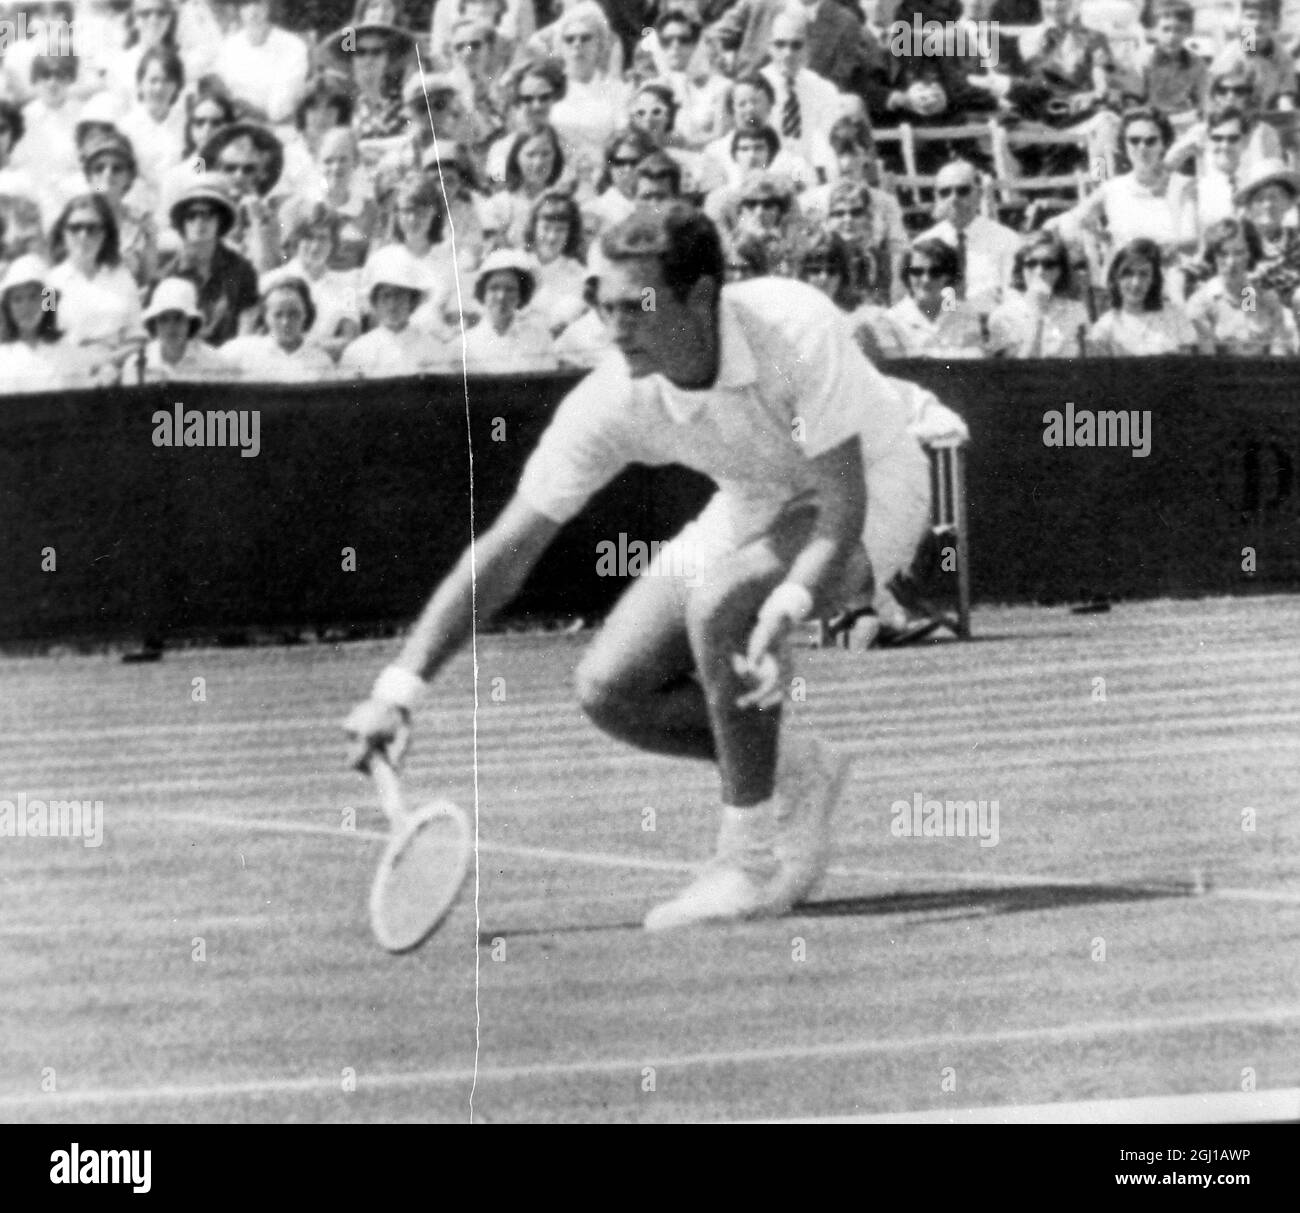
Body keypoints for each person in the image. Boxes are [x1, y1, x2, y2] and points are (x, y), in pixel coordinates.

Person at [343, 203, 922, 929]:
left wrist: (790, 601)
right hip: (753, 502)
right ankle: (792, 769)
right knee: (610, 689)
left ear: (701, 296)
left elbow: (841, 507)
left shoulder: (794, 326)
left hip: (876, 489)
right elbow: (508, 550)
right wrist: (398, 690)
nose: (616, 327)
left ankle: (749, 863)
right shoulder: (614, 395)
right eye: (604, 305)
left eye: (637, 306)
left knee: (722, 603)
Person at [156, 172, 260, 345]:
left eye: (208, 214)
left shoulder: (241, 269)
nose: (199, 222)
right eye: (192, 215)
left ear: (221, 220)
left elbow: (247, 324)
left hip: (231, 355)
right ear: (182, 222)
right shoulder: (168, 275)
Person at [918, 160, 1019, 315]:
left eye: (962, 190)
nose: (953, 198)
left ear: (979, 194)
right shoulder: (922, 244)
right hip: (939, 323)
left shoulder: (1007, 240)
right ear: (936, 197)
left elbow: (1013, 296)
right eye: (945, 192)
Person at [46, 192, 144, 353]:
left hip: (116, 362)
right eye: (75, 228)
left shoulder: (123, 279)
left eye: (92, 228)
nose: (83, 236)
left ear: (105, 234)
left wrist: (111, 361)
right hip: (68, 362)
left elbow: (137, 335)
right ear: (62, 232)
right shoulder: (49, 285)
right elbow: (45, 334)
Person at [1185, 217, 1298, 355]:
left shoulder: (1266, 299)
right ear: (1213, 256)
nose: (1231, 262)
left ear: (1250, 254)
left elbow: (1279, 355)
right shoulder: (1201, 303)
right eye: (1223, 254)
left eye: (1239, 253)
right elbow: (1206, 361)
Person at [338, 244, 452, 378]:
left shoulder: (432, 349)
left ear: (412, 301)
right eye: (386, 296)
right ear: (375, 301)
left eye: (399, 296)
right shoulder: (357, 352)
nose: (392, 305)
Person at [274, 200, 363, 362]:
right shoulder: (274, 280)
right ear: (296, 240)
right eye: (308, 237)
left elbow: (351, 339)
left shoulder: (348, 287)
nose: (315, 246)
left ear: (333, 242)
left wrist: (309, 350)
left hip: (323, 366)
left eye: (323, 238)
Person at [1088, 237, 1200, 354]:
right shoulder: (1104, 329)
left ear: (1154, 279)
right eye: (1128, 274)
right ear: (1116, 278)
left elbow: (1191, 360)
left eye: (1143, 274)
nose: (1135, 283)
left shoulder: (1175, 317)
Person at [987, 232, 1092, 357]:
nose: (1039, 271)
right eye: (1031, 264)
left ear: (1061, 270)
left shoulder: (1076, 311)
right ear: (1021, 269)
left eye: (1049, 264)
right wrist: (1038, 315)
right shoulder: (1003, 316)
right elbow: (1019, 367)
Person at [0, 252, 91, 390]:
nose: (26, 307)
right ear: (8, 307)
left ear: (48, 302)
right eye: (17, 299)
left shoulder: (67, 351)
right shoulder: (3, 355)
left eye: (33, 297)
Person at [212, 0, 311, 126]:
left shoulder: (293, 46)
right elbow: (221, 89)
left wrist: (255, 113)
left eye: (258, 3)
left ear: (268, 5)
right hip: (233, 123)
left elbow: (281, 106)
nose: (253, 10)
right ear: (239, 10)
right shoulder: (228, 47)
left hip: (277, 126)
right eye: (246, 4)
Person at [223, 275, 339, 381]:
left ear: (306, 314)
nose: (285, 322)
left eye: (294, 314)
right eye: (278, 314)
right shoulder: (242, 352)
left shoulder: (320, 361)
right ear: (266, 316)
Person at [460, 248, 559, 371]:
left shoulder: (540, 339)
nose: (501, 296)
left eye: (510, 289)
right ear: (483, 292)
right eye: (494, 288)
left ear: (521, 294)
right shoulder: (465, 344)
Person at [887, 237, 985, 358]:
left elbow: (974, 357)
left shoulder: (966, 313)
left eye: (935, 272)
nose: (926, 280)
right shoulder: (892, 320)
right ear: (907, 274)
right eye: (917, 271)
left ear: (948, 275)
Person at [123, 275, 232, 382]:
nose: (171, 326)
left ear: (190, 322)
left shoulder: (214, 363)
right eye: (163, 319)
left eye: (178, 318)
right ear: (154, 324)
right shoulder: (136, 365)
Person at [1234, 158, 1300, 306]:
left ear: (1289, 203)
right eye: (1260, 199)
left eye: (1274, 197)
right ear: (1249, 207)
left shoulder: (1296, 240)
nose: (1268, 205)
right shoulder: (1238, 243)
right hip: (1251, 311)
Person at [521, 189, 588, 333]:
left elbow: (562, 324)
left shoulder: (578, 274)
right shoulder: (517, 262)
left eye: (560, 230)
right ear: (533, 227)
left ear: (570, 233)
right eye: (546, 228)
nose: (552, 237)